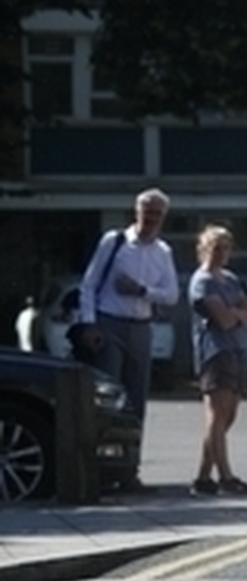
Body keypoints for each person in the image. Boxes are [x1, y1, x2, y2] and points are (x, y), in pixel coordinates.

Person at [74, 188, 181, 492]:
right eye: (147, 212)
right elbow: (89, 285)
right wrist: (89, 324)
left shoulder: (163, 251)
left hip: (141, 327)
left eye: (157, 214)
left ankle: (129, 471)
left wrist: (142, 290)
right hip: (110, 324)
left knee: (136, 401)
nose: (151, 219)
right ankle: (100, 469)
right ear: (136, 212)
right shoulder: (115, 242)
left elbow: (172, 295)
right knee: (108, 399)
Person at [187, 224, 247, 496]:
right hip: (215, 352)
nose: (220, 253)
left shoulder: (229, 279)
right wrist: (236, 314)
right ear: (204, 249)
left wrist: (237, 313)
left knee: (228, 416)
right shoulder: (202, 281)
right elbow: (226, 320)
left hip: (237, 351)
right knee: (217, 414)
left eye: (225, 248)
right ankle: (225, 477)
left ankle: (203, 477)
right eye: (215, 247)